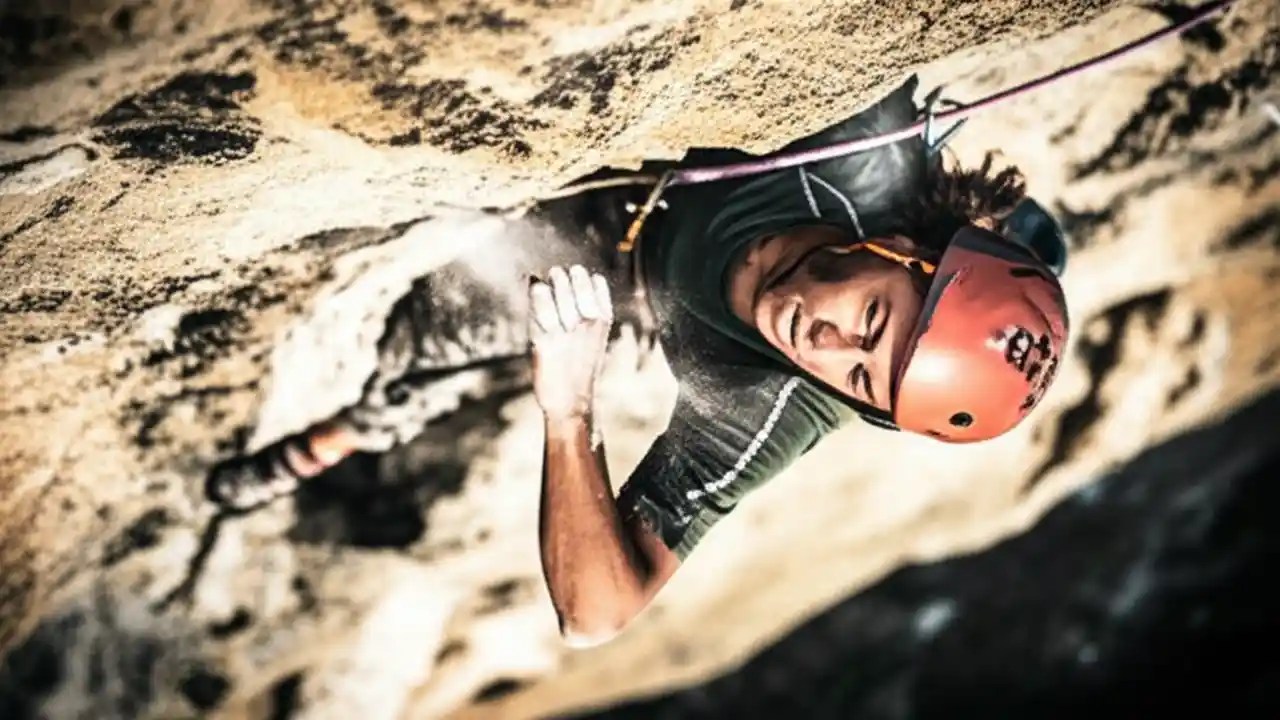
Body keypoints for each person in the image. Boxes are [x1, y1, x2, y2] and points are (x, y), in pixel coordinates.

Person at [207, 75, 1070, 646]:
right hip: (661, 176)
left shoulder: (773, 407)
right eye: (870, 319)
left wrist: (568, 408)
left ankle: (332, 440)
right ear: (894, 247)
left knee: (428, 338)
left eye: (857, 378)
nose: (827, 346)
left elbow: (597, 614)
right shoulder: (857, 150)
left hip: (624, 279)